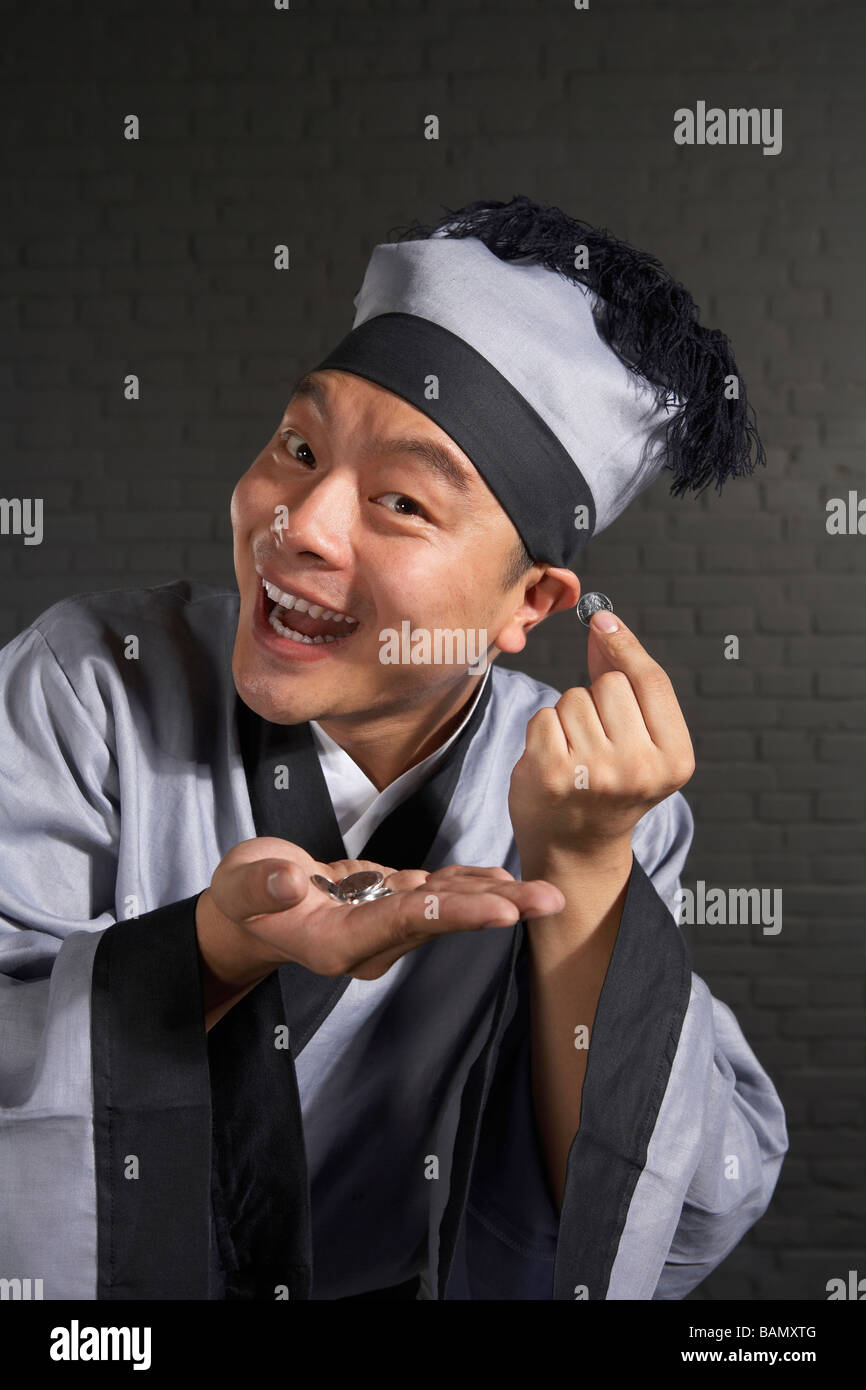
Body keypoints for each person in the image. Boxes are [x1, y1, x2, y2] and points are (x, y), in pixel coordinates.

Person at [0, 194, 787, 1301]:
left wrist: (582, 866)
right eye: (297, 445)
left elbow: (662, 1199)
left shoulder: (591, 798)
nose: (300, 524)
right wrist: (213, 952)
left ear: (531, 601)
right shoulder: (92, 684)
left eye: (401, 501)